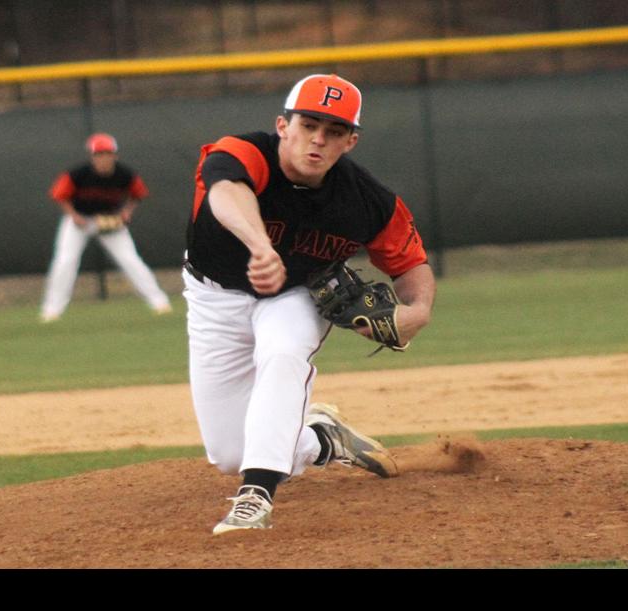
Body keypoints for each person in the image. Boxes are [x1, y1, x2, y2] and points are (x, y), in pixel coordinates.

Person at [180, 73, 436, 534]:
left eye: (334, 131)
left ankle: (255, 498)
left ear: (351, 141)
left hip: (295, 295)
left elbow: (411, 266)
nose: (318, 139)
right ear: (283, 125)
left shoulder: (367, 201)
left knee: (283, 354)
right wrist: (260, 246)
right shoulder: (242, 153)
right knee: (228, 452)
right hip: (213, 296)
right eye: (308, 124)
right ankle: (321, 440)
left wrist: (416, 313)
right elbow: (226, 194)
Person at [40, 132, 173, 322]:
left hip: (111, 222)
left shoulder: (125, 175)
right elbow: (59, 195)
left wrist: (127, 212)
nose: (103, 158)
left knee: (130, 260)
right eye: (99, 155)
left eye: (107, 154)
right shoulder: (78, 174)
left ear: (115, 155)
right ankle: (51, 310)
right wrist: (74, 216)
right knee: (65, 261)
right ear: (92, 157)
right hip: (81, 221)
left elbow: (138, 194)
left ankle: (159, 303)